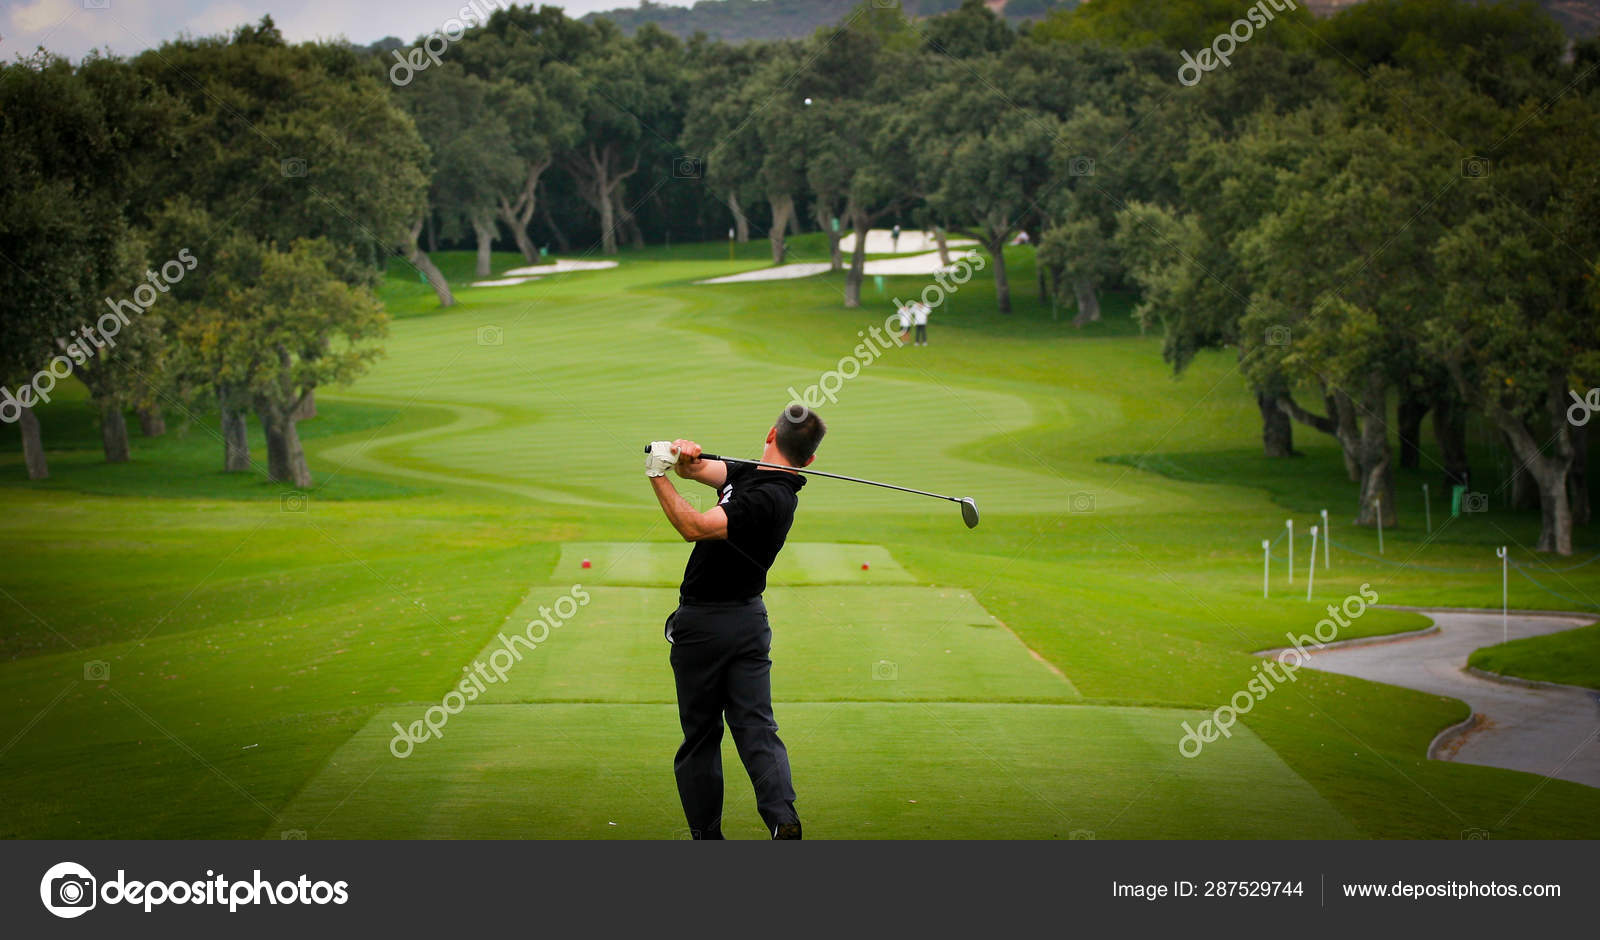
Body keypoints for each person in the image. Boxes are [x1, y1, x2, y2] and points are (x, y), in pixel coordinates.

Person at [644, 406, 828, 840]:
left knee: (701, 738)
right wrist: (680, 454)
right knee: (756, 726)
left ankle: (709, 838)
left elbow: (693, 526)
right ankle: (783, 817)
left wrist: (656, 476)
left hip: (706, 624)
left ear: (770, 432)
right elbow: (703, 470)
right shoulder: (755, 477)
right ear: (810, 460)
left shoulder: (768, 498)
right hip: (749, 622)